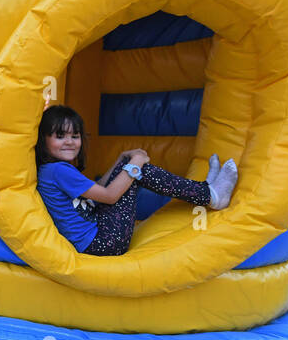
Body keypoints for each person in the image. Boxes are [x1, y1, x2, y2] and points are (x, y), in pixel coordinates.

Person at [35, 104, 238, 256]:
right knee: (139, 172)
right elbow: (109, 196)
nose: (70, 142)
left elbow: (97, 192)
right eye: (60, 136)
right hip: (102, 244)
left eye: (75, 136)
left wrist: (122, 159)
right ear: (44, 140)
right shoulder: (58, 171)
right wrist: (135, 164)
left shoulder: (53, 170)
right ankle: (209, 195)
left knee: (132, 170)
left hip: (99, 238)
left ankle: (205, 190)